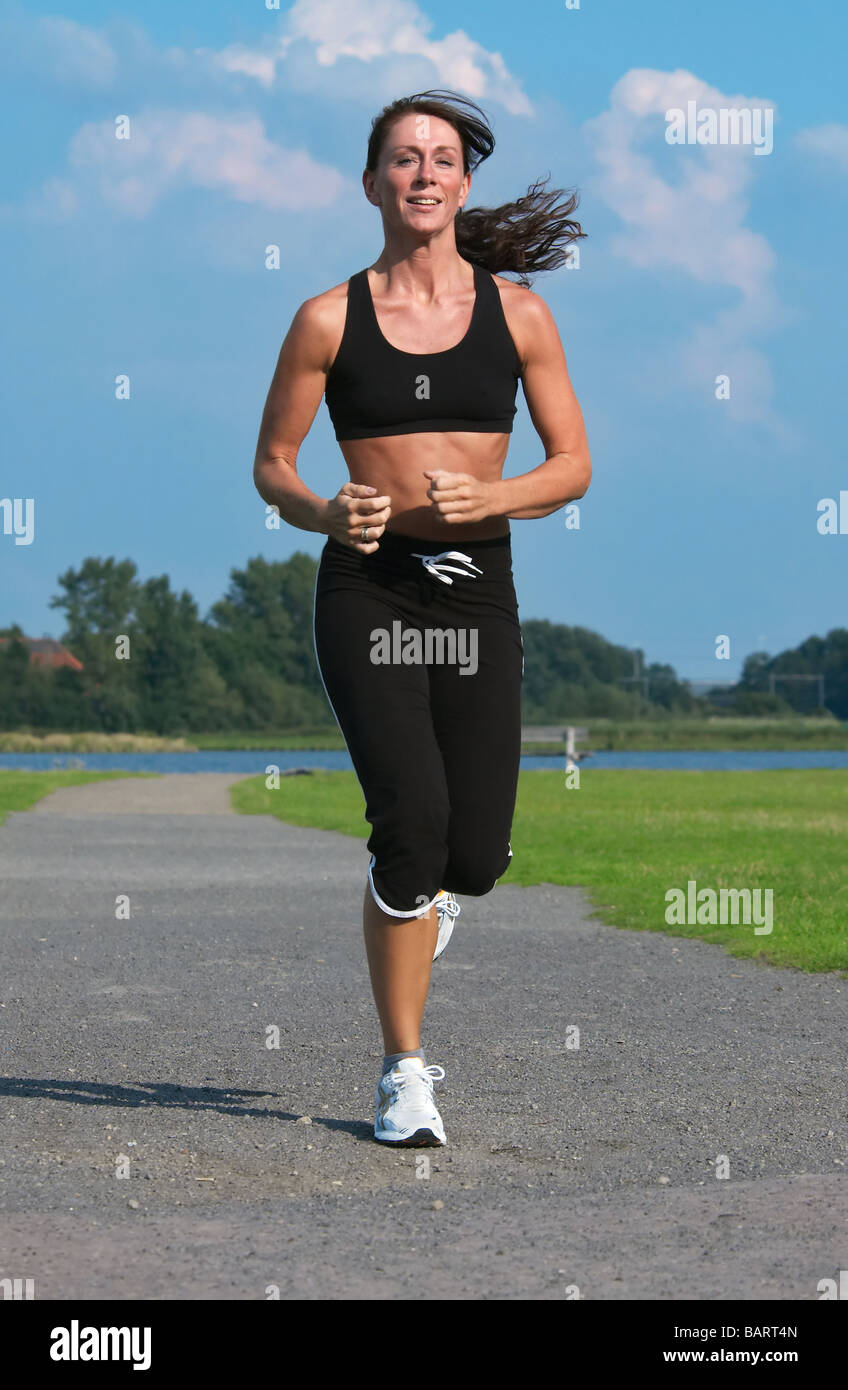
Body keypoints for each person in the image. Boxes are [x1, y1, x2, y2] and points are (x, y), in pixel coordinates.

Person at [254, 89, 591, 1146]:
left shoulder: (519, 315)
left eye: (442, 158)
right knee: (411, 826)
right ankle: (403, 1073)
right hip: (367, 590)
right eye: (403, 159)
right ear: (373, 184)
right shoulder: (325, 317)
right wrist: (322, 508)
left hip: (475, 591)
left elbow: (574, 465)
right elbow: (272, 467)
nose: (424, 173)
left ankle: (426, 899)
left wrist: (493, 498)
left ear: (464, 185)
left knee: (475, 854)